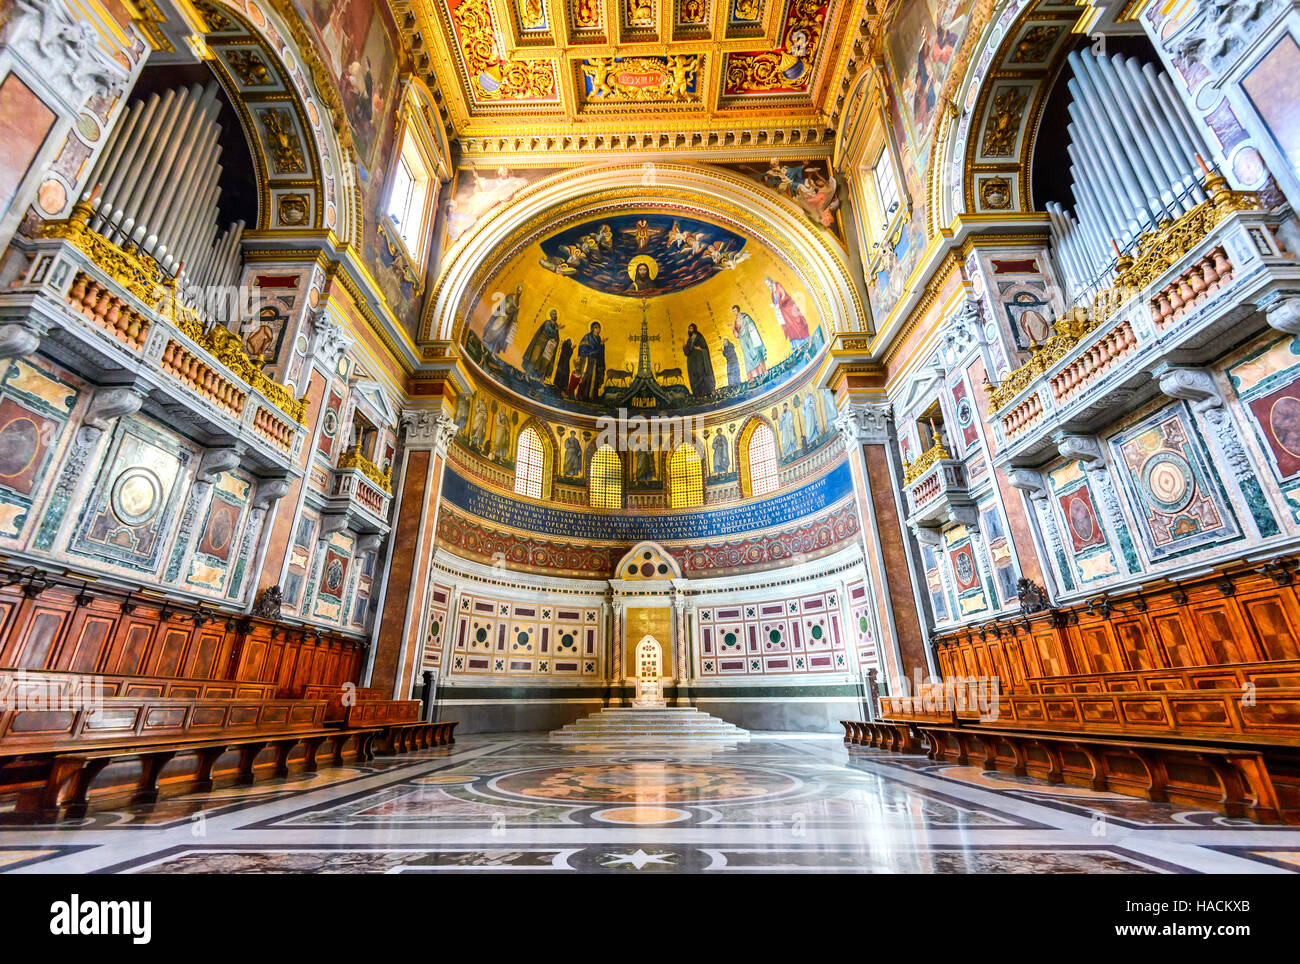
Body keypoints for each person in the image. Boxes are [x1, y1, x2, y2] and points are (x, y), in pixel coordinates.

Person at [767, 277, 810, 348]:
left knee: (796, 323)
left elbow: (784, 295)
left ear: (771, 281)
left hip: (788, 307)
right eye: (767, 284)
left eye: (768, 283)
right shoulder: (772, 293)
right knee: (790, 328)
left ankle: (805, 341)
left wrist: (778, 305)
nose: (768, 285)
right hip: (783, 313)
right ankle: (797, 346)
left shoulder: (778, 286)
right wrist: (775, 306)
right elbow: (775, 301)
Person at [482, 285, 522, 354]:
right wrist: (516, 308)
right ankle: (485, 342)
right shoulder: (510, 297)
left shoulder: (517, 301)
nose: (519, 293)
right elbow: (506, 309)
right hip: (502, 317)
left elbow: (515, 314)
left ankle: (491, 350)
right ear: (516, 290)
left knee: (499, 335)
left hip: (506, 322)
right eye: (519, 291)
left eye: (521, 292)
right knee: (494, 329)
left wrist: (515, 321)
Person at [522, 309, 561, 379]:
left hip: (548, 346)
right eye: (553, 314)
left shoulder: (556, 325)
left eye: (556, 314)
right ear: (550, 315)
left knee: (544, 362)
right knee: (534, 358)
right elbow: (549, 331)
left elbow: (556, 336)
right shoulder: (547, 322)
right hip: (540, 343)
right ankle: (526, 374)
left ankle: (538, 378)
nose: (555, 315)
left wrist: (555, 341)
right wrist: (556, 329)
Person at [731, 304, 767, 380]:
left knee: (755, 352)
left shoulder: (745, 316)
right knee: (748, 357)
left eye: (735, 310)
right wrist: (733, 328)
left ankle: (763, 371)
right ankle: (753, 376)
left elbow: (750, 323)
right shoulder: (736, 321)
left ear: (738, 309)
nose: (734, 312)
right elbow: (737, 335)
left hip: (749, 336)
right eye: (733, 311)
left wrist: (750, 327)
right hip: (742, 340)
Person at [682, 323, 716, 397]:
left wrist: (700, 349)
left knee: (703, 375)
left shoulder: (699, 337)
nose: (689, 330)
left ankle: (712, 392)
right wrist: (684, 346)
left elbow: (705, 348)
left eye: (691, 328)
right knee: (695, 378)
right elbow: (687, 353)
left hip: (700, 361)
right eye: (689, 329)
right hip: (692, 363)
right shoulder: (689, 340)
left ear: (694, 329)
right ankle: (698, 396)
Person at [576, 322, 605, 401]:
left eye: (599, 328)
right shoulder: (587, 337)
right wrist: (595, 350)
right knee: (586, 377)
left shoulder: (599, 339)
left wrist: (601, 345)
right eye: (596, 327)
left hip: (596, 362)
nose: (598, 329)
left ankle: (591, 396)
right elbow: (583, 349)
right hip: (588, 360)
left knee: (594, 379)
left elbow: (600, 352)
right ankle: (581, 395)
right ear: (592, 328)